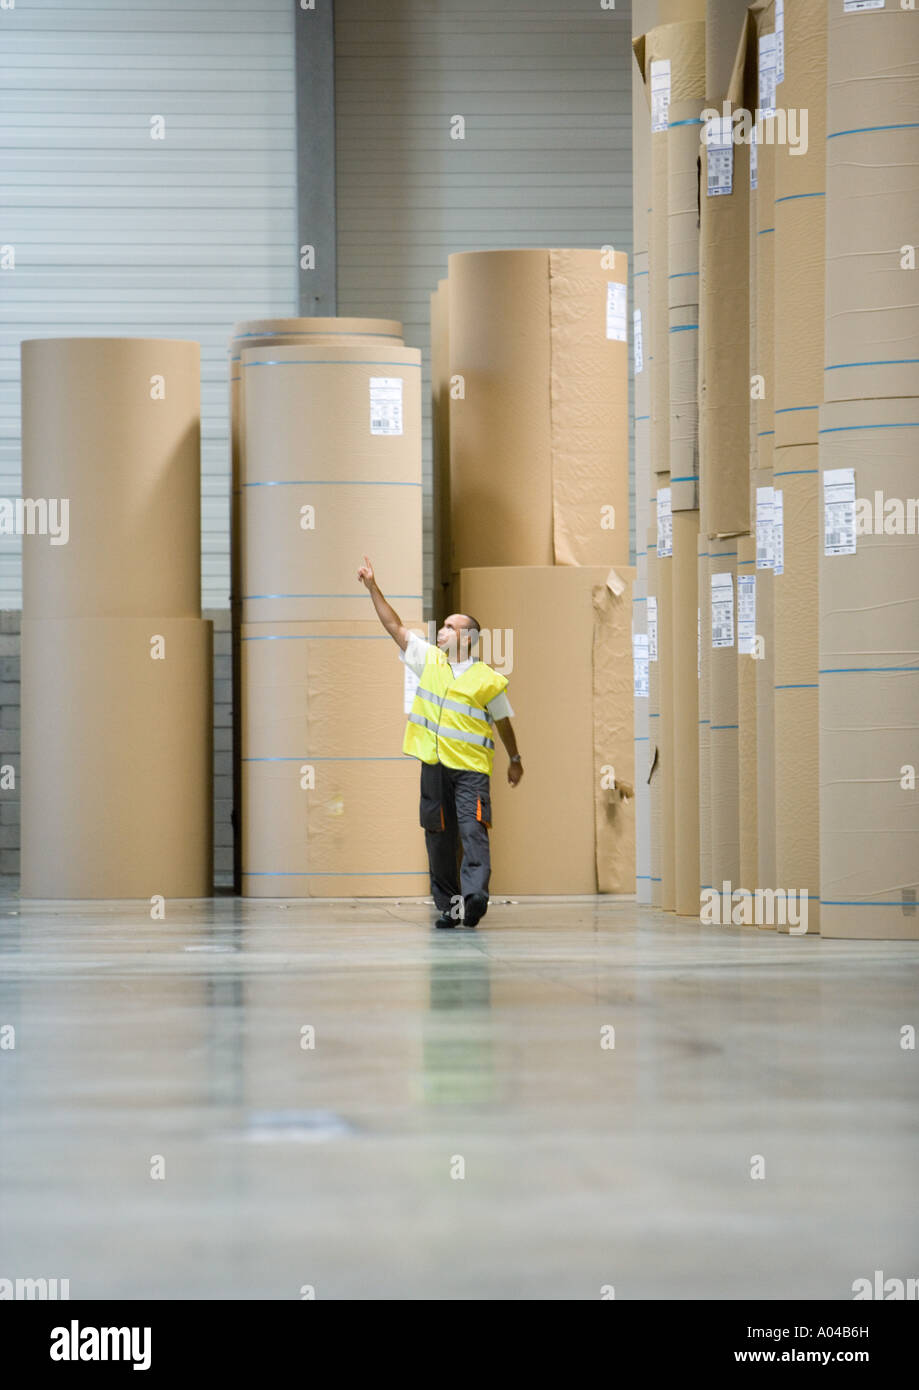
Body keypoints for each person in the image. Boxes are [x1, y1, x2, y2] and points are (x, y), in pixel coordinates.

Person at [357, 555, 523, 929]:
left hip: (470, 772)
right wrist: (372, 588)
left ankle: (475, 897)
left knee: (472, 831)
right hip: (433, 768)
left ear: (467, 638)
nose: (441, 631)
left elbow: (503, 722)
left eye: (450, 627)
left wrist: (515, 758)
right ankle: (451, 907)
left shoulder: (487, 679)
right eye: (443, 626)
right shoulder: (428, 660)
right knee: (439, 839)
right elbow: (395, 627)